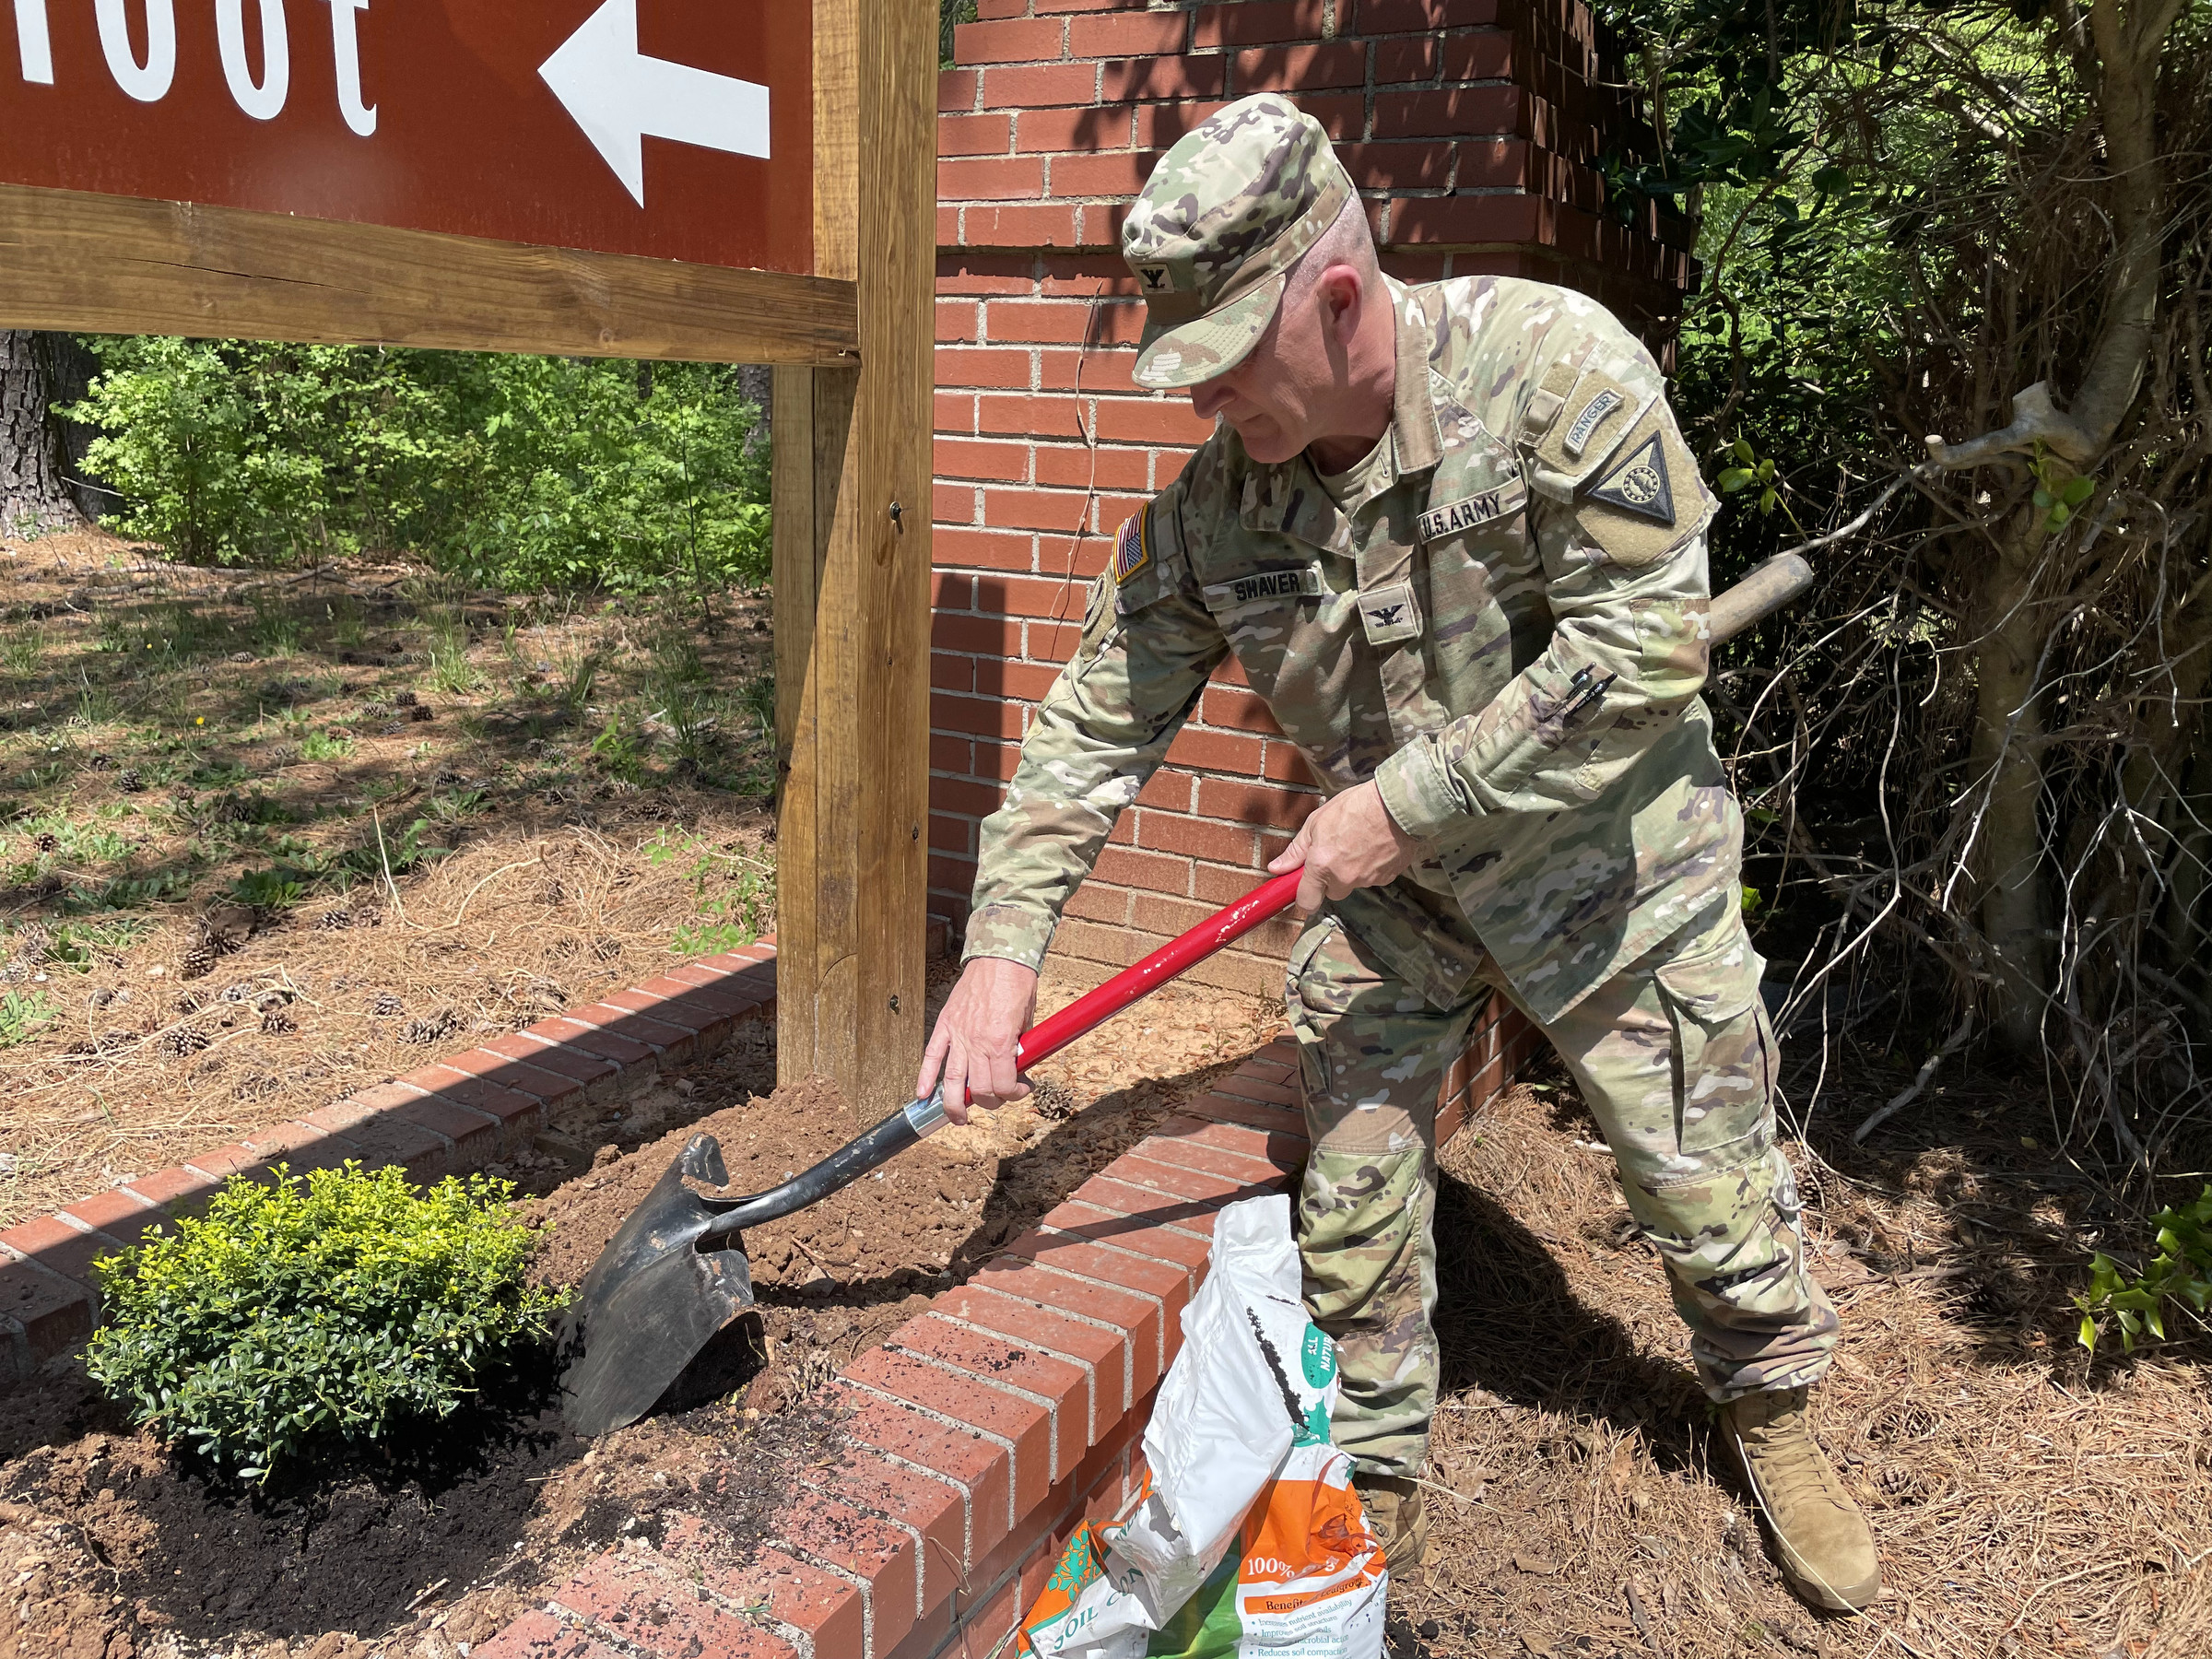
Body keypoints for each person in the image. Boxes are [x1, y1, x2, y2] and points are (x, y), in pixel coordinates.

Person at [915, 92, 1878, 1614]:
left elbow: (1640, 651)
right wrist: (1001, 953)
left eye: (1228, 361)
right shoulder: (1217, 512)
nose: (1203, 399)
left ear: (1339, 297)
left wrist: (1402, 801)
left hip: (1611, 872)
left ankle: (1771, 1405)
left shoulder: (1550, 370)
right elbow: (1090, 730)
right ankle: (1374, 1481)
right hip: (1396, 904)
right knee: (1353, 1205)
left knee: (1702, 1177)